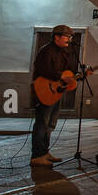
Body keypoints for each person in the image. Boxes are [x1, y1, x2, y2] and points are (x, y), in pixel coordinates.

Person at [29, 25, 75, 166]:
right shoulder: (46, 51)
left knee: (50, 124)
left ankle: (44, 152)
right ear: (57, 37)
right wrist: (60, 76)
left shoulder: (63, 52)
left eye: (70, 36)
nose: (69, 39)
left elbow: (66, 72)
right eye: (66, 36)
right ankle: (37, 156)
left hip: (55, 93)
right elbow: (44, 70)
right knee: (42, 123)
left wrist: (76, 76)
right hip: (44, 92)